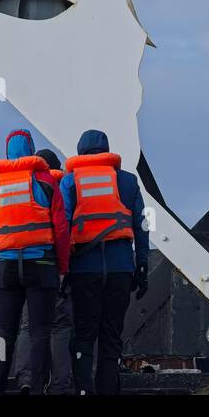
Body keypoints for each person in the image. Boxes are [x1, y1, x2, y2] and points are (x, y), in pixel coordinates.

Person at [60, 130, 146, 395]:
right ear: (107, 150)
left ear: (80, 151)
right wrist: (141, 266)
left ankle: (83, 390)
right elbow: (142, 226)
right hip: (121, 268)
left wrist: (63, 269)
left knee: (84, 336)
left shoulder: (70, 182)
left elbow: (63, 228)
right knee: (111, 336)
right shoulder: (129, 181)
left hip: (84, 269)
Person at [0, 129, 69, 394]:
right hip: (41, 265)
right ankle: (35, 386)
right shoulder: (44, 180)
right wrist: (62, 268)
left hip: (5, 267)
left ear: (8, 151)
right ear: (31, 150)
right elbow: (61, 229)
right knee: (40, 332)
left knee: (2, 332)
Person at [13, 148, 75, 395]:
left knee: (29, 326)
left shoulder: (29, 188)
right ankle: (60, 382)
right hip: (57, 268)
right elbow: (64, 229)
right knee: (60, 327)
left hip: (26, 266)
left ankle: (26, 378)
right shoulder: (64, 186)